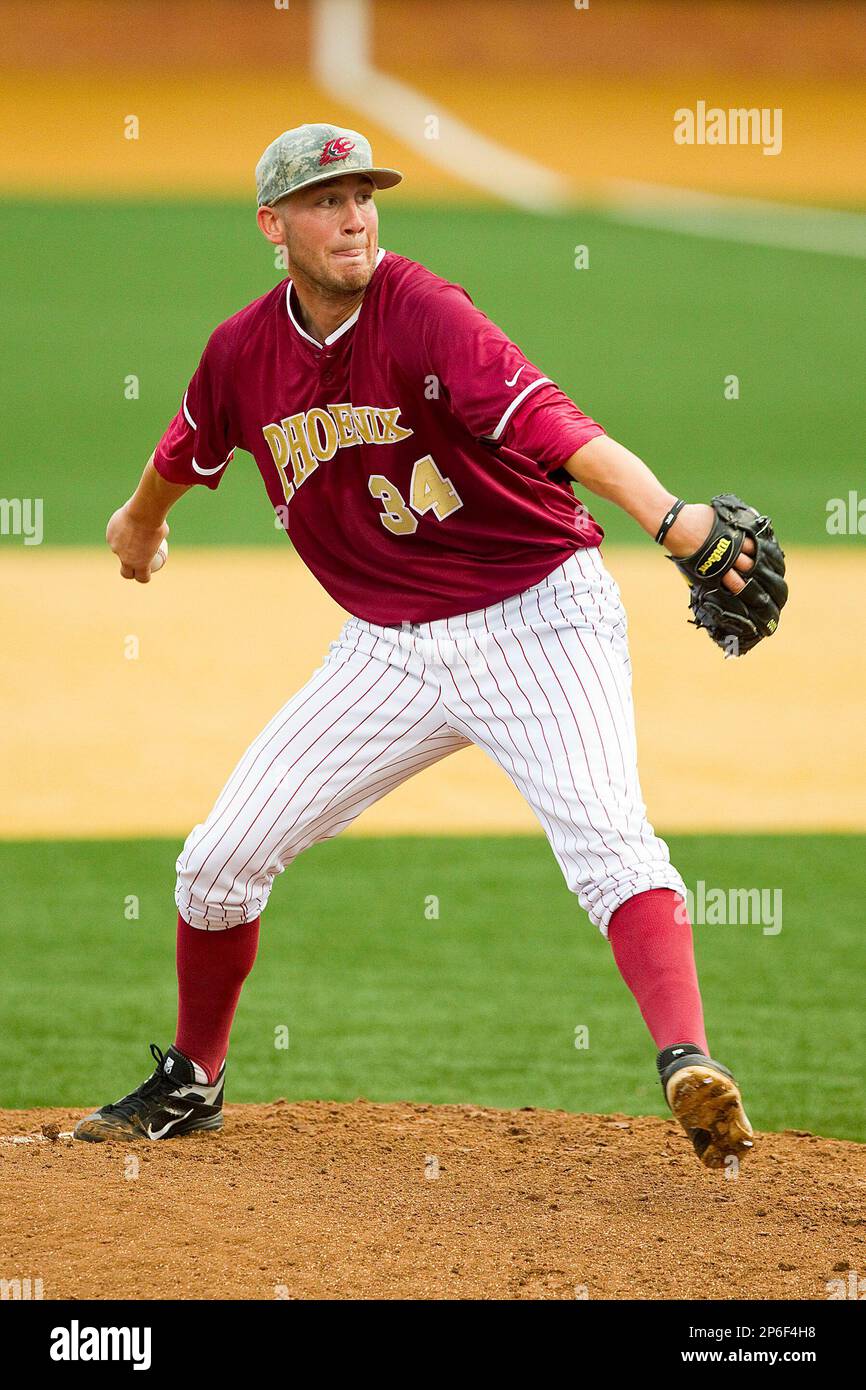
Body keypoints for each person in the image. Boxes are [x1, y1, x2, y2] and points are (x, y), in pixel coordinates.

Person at [74, 123, 758, 1169]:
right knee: (214, 865)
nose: (352, 215)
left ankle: (686, 1062)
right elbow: (189, 445)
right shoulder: (241, 353)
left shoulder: (427, 312)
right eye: (323, 199)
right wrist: (138, 522)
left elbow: (558, 428)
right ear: (273, 225)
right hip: (386, 648)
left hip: (538, 614)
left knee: (609, 844)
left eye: (362, 195)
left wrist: (667, 518)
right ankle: (193, 1081)